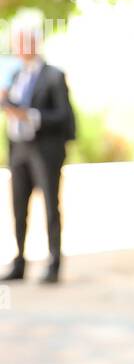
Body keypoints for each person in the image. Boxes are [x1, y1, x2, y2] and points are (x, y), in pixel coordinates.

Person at [0, 26, 76, 284]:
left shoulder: (53, 75)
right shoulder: (15, 75)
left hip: (45, 150)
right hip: (19, 149)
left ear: (35, 44)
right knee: (18, 207)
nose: (21, 48)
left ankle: (54, 264)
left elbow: (64, 116)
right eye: (17, 43)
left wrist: (31, 116)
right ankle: (19, 262)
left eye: (26, 42)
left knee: (50, 207)